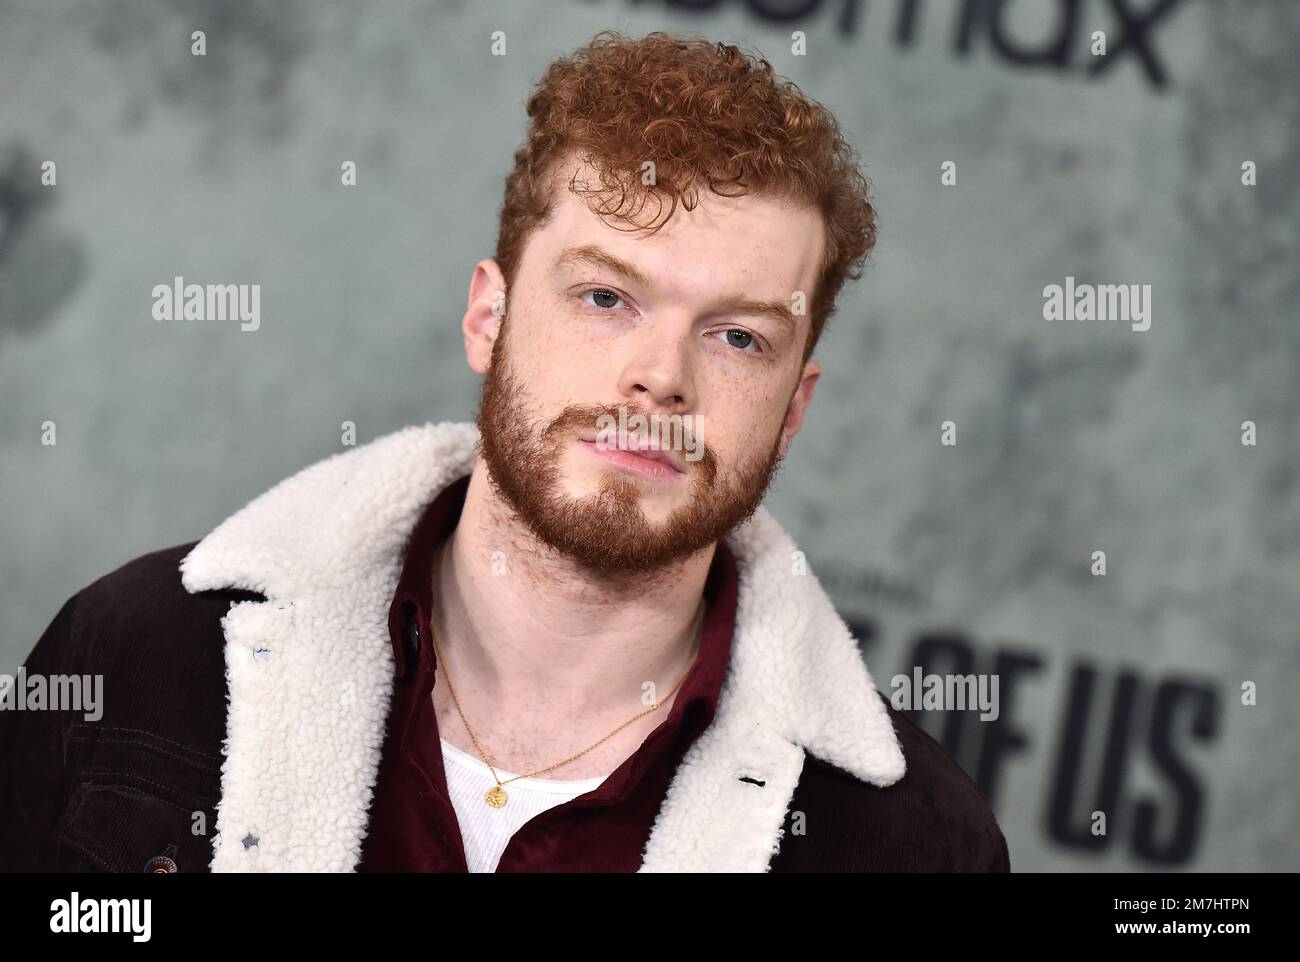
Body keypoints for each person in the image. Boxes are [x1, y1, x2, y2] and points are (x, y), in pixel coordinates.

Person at [0, 30, 1008, 873]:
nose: (661, 379)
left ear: (793, 409)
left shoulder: (913, 844)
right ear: (489, 315)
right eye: (605, 297)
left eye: (737, 336)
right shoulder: (138, 651)